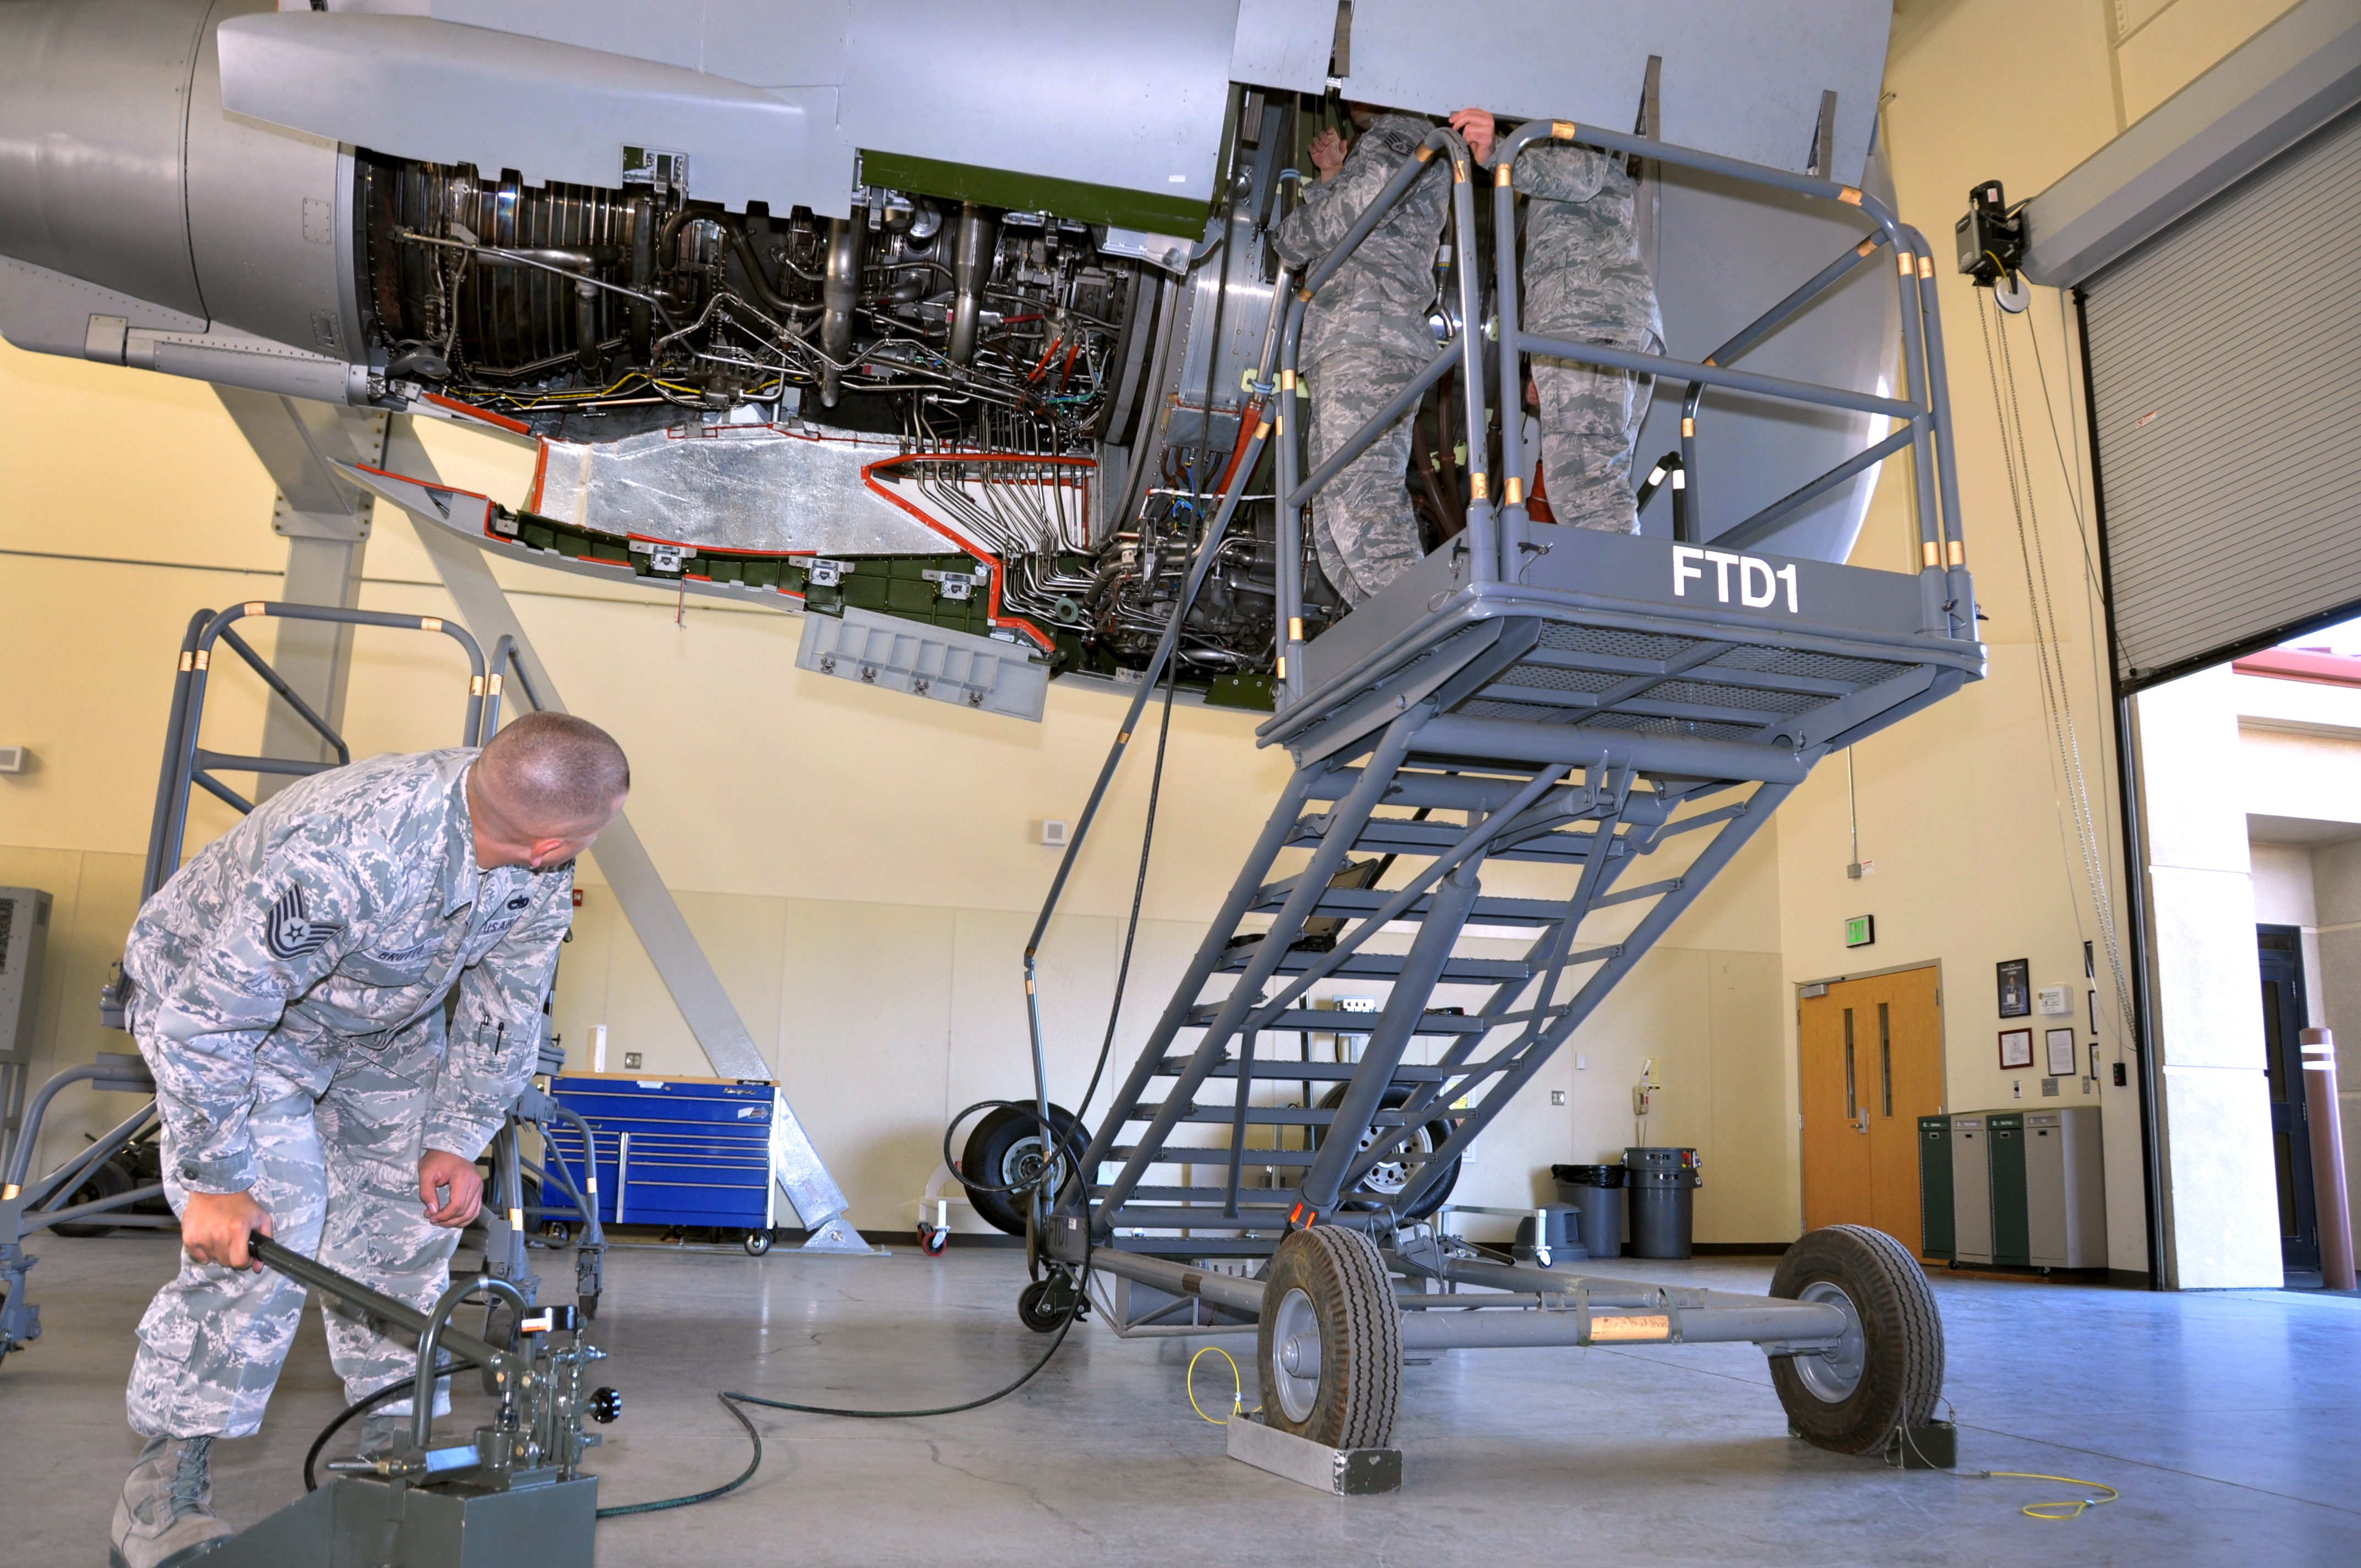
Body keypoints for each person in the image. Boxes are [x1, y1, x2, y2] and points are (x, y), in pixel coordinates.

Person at [110, 711, 629, 1568]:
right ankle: (163, 1492)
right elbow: (206, 1023)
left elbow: (505, 1011)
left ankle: (390, 1455)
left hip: (376, 1029)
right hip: (235, 1023)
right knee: (264, 1236)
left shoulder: (537, 870)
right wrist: (212, 1179)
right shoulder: (346, 852)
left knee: (406, 1227)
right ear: (548, 842)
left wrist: (456, 1137)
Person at [1274, 102, 1452, 607]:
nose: (1351, 97)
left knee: (1365, 513)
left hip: (1370, 339)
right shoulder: (1387, 141)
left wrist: (1287, 239)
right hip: (1349, 338)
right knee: (1337, 531)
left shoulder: (1401, 132)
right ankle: (1394, 650)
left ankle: (1434, 639)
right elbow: (1362, 222)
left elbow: (1348, 214)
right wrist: (1332, 172)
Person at [1451, 107, 1663, 532]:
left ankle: (1617, 593)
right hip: (1593, 325)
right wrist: (1542, 363)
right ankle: (1618, 588)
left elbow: (1576, 176)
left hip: (1590, 324)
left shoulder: (1577, 131)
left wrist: (1500, 153)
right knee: (1594, 482)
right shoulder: (1571, 142)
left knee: (1587, 491)